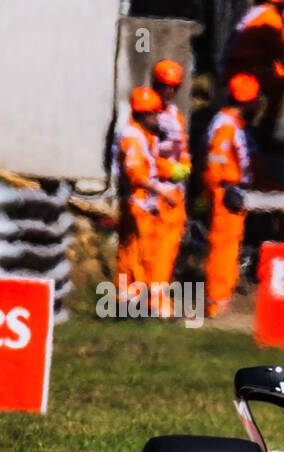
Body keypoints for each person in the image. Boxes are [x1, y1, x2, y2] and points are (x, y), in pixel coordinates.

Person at [116, 87, 181, 312]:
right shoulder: (133, 138)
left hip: (143, 203)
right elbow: (136, 175)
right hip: (137, 203)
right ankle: (128, 304)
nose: (157, 119)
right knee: (134, 256)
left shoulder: (143, 136)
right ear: (144, 115)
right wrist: (163, 193)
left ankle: (132, 303)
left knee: (139, 256)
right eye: (154, 114)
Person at [204, 73, 261, 318]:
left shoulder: (234, 124)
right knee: (223, 248)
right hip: (225, 193)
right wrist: (225, 187)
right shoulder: (226, 125)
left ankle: (222, 297)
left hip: (233, 192)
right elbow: (216, 159)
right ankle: (217, 301)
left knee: (230, 247)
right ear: (248, 102)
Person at [150, 59, 191, 291]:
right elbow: (144, 150)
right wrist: (167, 169)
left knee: (169, 246)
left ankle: (159, 292)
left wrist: (184, 165)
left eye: (174, 86)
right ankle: (151, 297)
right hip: (156, 188)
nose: (169, 91)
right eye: (165, 85)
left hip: (176, 189)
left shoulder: (176, 115)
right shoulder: (148, 112)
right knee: (154, 247)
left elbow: (181, 146)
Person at [221, 0, 284, 118]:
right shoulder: (271, 18)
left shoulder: (256, 11)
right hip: (247, 74)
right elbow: (280, 51)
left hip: (233, 70)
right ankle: (271, 127)